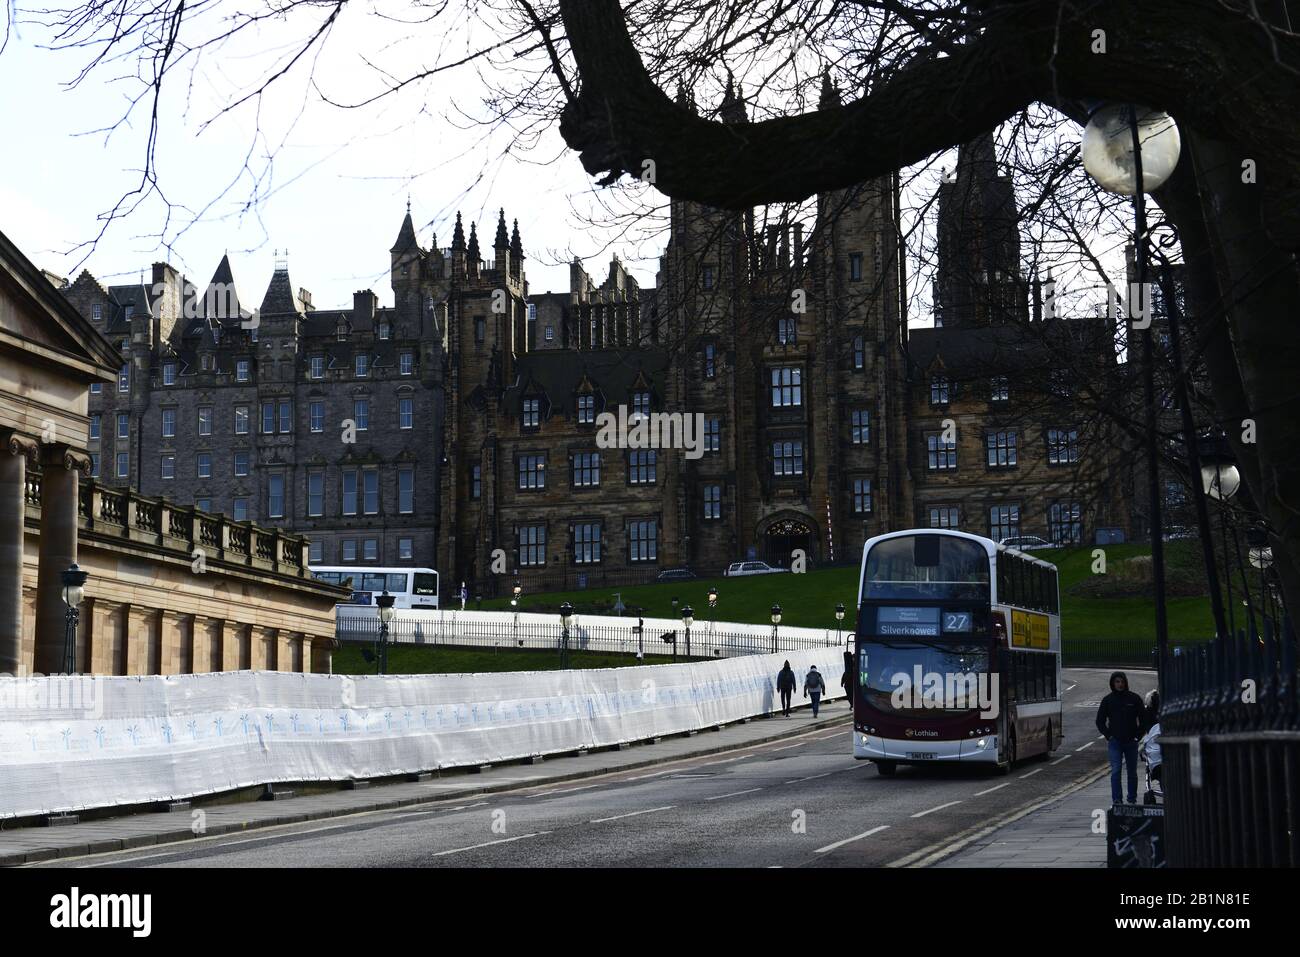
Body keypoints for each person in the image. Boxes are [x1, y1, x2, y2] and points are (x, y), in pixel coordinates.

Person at [1095, 671, 1145, 804]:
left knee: (1132, 773)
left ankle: (1132, 799)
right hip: (1115, 741)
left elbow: (1144, 719)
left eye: (1122, 681)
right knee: (1116, 771)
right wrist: (1108, 735)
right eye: (1117, 682)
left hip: (1131, 741)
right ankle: (1117, 800)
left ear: (1126, 682)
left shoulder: (1134, 699)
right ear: (1112, 683)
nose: (1120, 684)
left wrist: (1138, 736)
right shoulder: (1108, 700)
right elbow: (1100, 721)